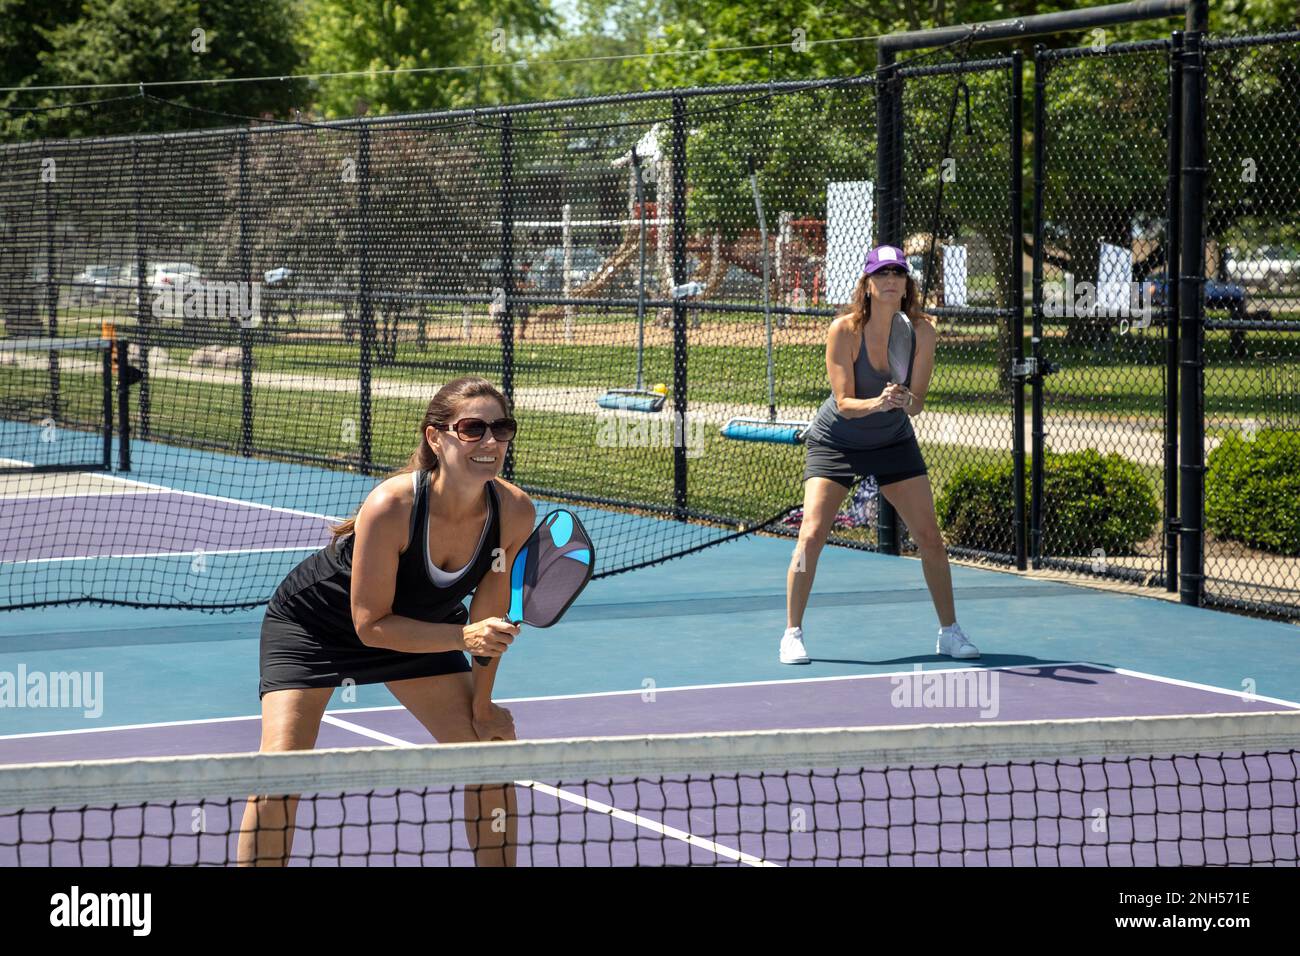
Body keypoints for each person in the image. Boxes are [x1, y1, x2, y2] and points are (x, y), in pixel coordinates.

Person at [239, 376, 536, 866]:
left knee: (490, 753)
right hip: (316, 628)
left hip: (422, 627)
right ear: (435, 437)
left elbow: (488, 617)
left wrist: (483, 708)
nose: (490, 442)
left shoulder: (513, 512)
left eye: (501, 429)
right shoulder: (393, 505)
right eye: (472, 428)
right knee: (281, 770)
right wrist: (464, 635)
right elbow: (372, 625)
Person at [781, 244, 979, 664]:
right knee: (811, 534)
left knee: (929, 537)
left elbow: (918, 402)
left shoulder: (923, 331)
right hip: (837, 441)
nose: (891, 281)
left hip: (892, 441)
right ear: (867, 285)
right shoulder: (843, 331)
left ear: (907, 284)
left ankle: (950, 632)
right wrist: (878, 402)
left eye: (899, 274)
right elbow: (844, 402)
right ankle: (792, 632)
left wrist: (904, 399)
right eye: (883, 274)